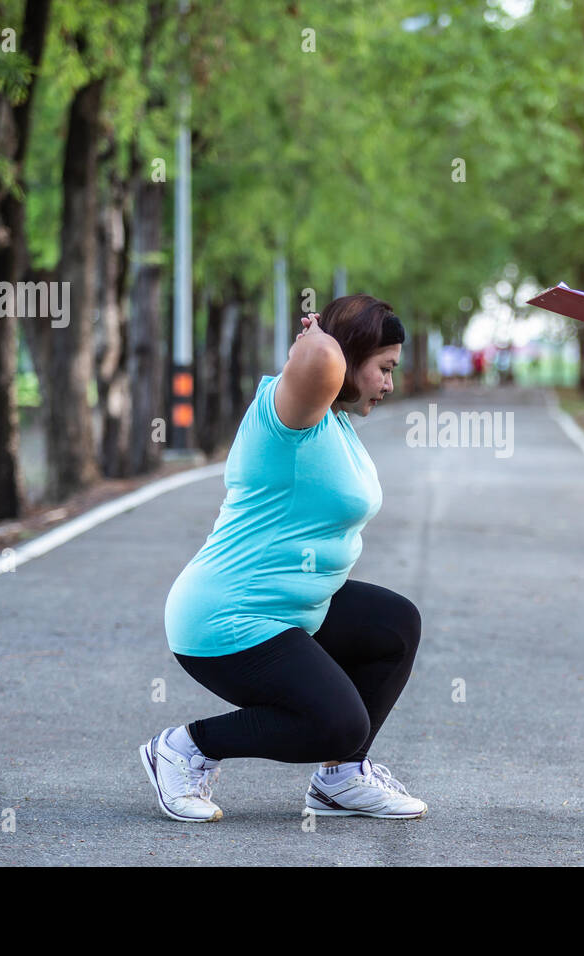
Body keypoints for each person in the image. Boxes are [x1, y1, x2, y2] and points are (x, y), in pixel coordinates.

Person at [140, 294, 427, 823]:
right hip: (227, 618)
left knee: (394, 624)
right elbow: (320, 363)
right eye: (384, 369)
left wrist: (333, 347)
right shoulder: (288, 416)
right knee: (339, 722)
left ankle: (342, 779)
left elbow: (327, 366)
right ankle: (183, 749)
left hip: (291, 610)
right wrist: (320, 341)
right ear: (348, 358)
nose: (390, 384)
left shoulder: (335, 423)